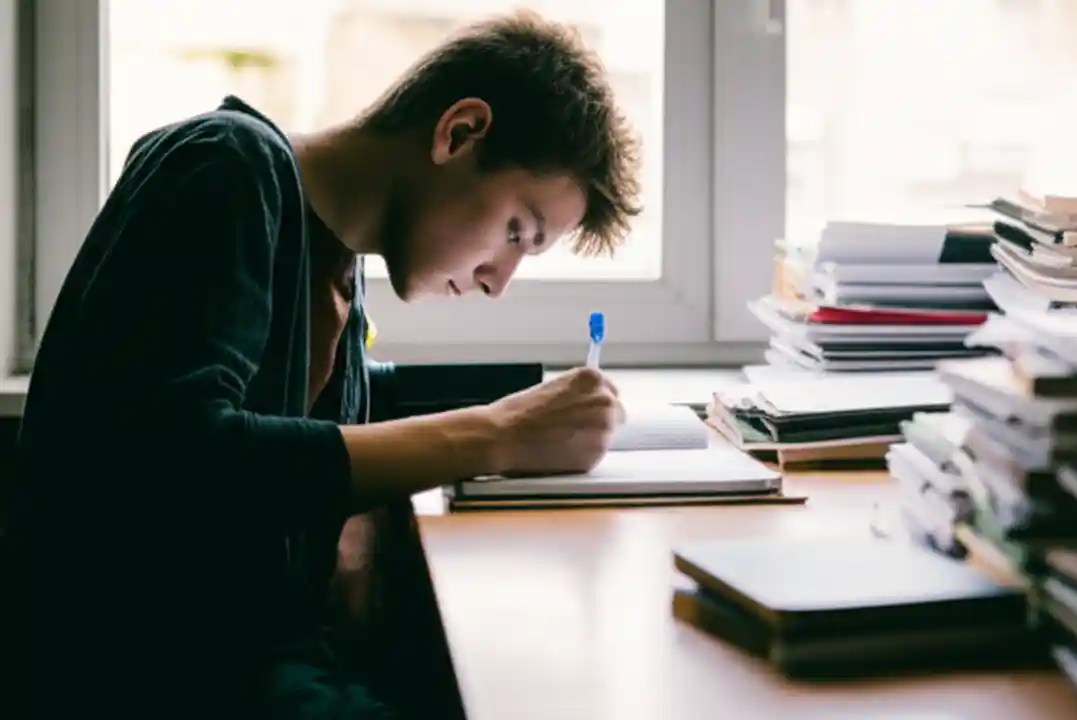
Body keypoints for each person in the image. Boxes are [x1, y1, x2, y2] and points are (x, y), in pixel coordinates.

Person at [0, 10, 640, 717]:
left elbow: (312, 406)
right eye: (517, 230)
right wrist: (496, 433)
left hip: (251, 660)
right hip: (145, 676)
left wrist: (538, 402)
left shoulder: (334, 268)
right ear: (458, 133)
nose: (498, 279)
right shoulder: (225, 166)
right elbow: (176, 454)